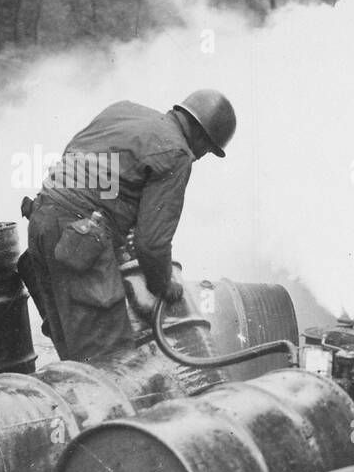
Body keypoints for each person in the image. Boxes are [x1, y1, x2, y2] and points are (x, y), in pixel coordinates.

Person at [22, 90, 236, 362]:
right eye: (209, 149)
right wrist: (163, 284)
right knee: (107, 359)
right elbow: (152, 243)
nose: (203, 155)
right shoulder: (176, 153)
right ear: (202, 135)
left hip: (42, 220)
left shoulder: (122, 110)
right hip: (79, 242)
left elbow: (79, 157)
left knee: (71, 351)